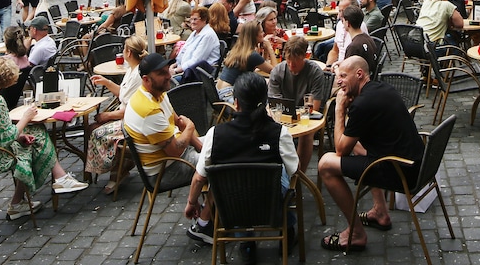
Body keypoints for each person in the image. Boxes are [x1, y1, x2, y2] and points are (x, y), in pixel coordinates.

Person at [0, 56, 88, 219]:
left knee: (30, 136)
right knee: (31, 141)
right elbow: (5, 139)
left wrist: (20, 136)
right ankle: (54, 181)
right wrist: (26, 117)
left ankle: (51, 183)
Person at [318, 56, 424, 252]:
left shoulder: (363, 104)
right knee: (356, 146)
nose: (338, 81)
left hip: (400, 172)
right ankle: (380, 212)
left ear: (359, 74)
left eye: (343, 75)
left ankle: (356, 233)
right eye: (337, 76)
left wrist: (340, 108)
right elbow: (353, 143)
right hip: (418, 165)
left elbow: (340, 149)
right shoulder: (381, 88)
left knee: (326, 164)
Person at [184, 72, 299, 252]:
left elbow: (199, 178)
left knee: (226, 182)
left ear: (236, 103)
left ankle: (246, 243)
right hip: (270, 202)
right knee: (283, 171)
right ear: (265, 100)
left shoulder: (216, 134)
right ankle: (288, 228)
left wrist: (192, 203)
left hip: (233, 205)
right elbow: (294, 170)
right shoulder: (279, 133)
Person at [123, 53, 202, 178]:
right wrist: (190, 127)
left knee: (218, 144)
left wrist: (201, 148)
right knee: (217, 161)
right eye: (161, 73)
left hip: (176, 153)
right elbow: (176, 150)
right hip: (165, 170)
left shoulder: (159, 92)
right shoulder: (149, 110)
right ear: (146, 79)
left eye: (167, 71)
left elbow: (179, 122)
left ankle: (209, 196)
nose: (168, 76)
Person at [85, 34, 147, 190]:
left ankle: (118, 168)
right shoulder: (131, 69)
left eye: (124, 49)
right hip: (125, 116)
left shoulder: (138, 75)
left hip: (134, 122)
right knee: (93, 127)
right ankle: (119, 166)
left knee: (96, 131)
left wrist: (108, 115)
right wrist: (106, 82)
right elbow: (123, 94)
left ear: (128, 53)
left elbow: (134, 108)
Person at [268, 34, 330, 168]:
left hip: (305, 117)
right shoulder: (278, 71)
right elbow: (274, 103)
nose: (291, 66)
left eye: (295, 63)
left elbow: (315, 106)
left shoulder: (314, 72)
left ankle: (299, 174)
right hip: (283, 116)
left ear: (304, 57)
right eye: (288, 61)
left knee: (307, 135)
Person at [217, 21, 273, 95]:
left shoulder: (238, 49)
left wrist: (265, 51)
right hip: (230, 94)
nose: (263, 34)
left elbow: (261, 65)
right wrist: (270, 48)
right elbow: (275, 72)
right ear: (254, 36)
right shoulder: (252, 55)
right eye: (262, 32)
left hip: (219, 89)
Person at [173, 6, 221, 83]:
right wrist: (174, 66)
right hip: (184, 71)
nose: (192, 22)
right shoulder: (195, 33)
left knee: (165, 82)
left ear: (204, 20)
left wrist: (176, 71)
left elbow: (196, 60)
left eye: (195, 19)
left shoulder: (208, 35)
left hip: (198, 75)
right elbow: (183, 51)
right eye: (191, 19)